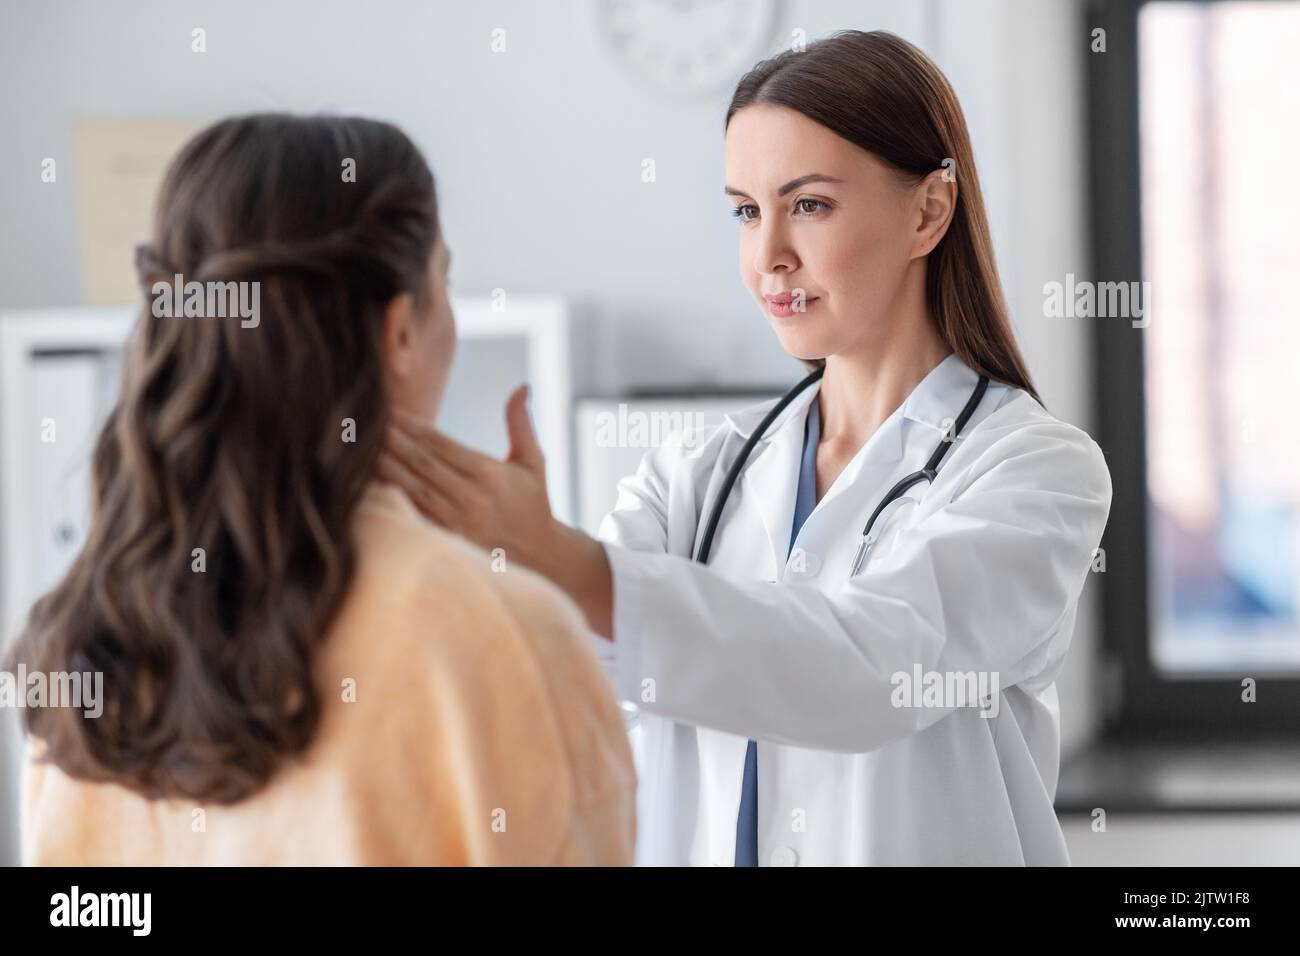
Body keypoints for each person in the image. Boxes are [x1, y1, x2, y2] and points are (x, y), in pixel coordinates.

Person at [379, 31, 1113, 866]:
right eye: (745, 210)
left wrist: (554, 554)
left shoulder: (1034, 470)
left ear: (927, 212)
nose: (768, 257)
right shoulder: (694, 477)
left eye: (809, 205)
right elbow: (565, 670)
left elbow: (867, 669)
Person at [10, 114, 635, 866]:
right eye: (446, 279)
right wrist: (501, 600)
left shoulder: (90, 640)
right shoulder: (502, 636)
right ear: (399, 330)